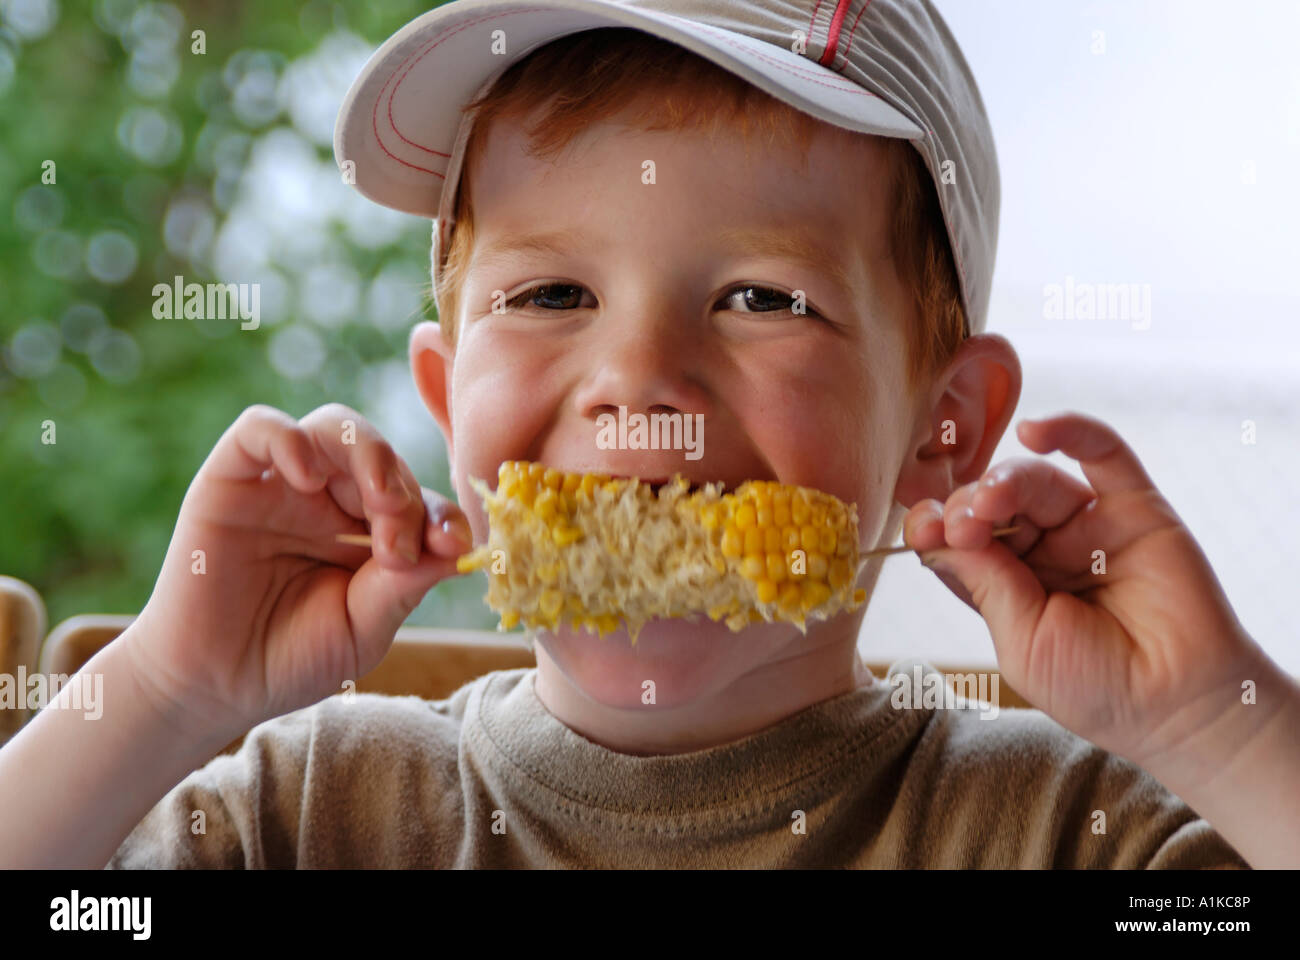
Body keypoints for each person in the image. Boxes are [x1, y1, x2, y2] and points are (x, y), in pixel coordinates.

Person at [2, 0, 1295, 868]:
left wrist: (1216, 727)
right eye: (553, 294)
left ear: (941, 434)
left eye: (760, 300)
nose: (639, 376)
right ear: (450, 406)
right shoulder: (313, 813)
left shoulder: (1064, 834)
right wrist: (167, 695)